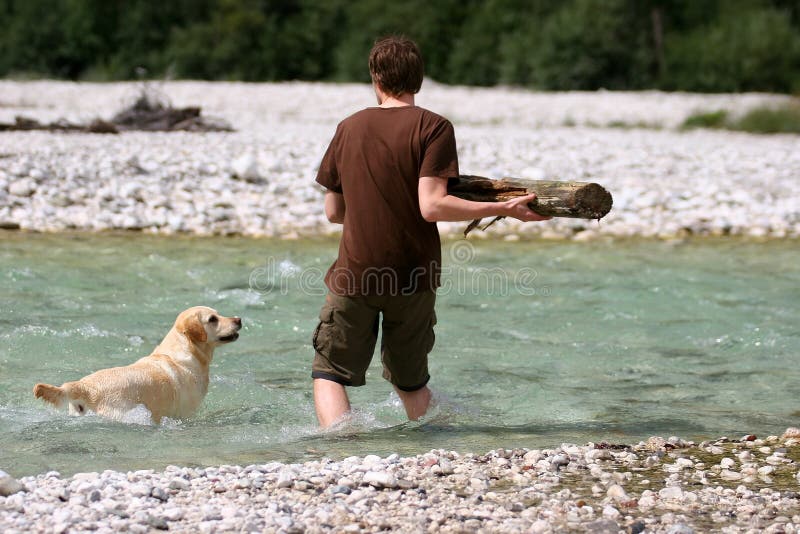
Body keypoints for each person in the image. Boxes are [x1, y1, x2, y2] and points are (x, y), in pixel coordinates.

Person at [312, 36, 550, 428]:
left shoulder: (349, 127)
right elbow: (432, 206)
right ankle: (433, 450)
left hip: (355, 273)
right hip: (414, 277)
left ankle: (340, 452)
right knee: (410, 381)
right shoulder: (433, 127)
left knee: (330, 372)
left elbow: (333, 212)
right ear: (419, 79)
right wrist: (502, 207)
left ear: (375, 78)